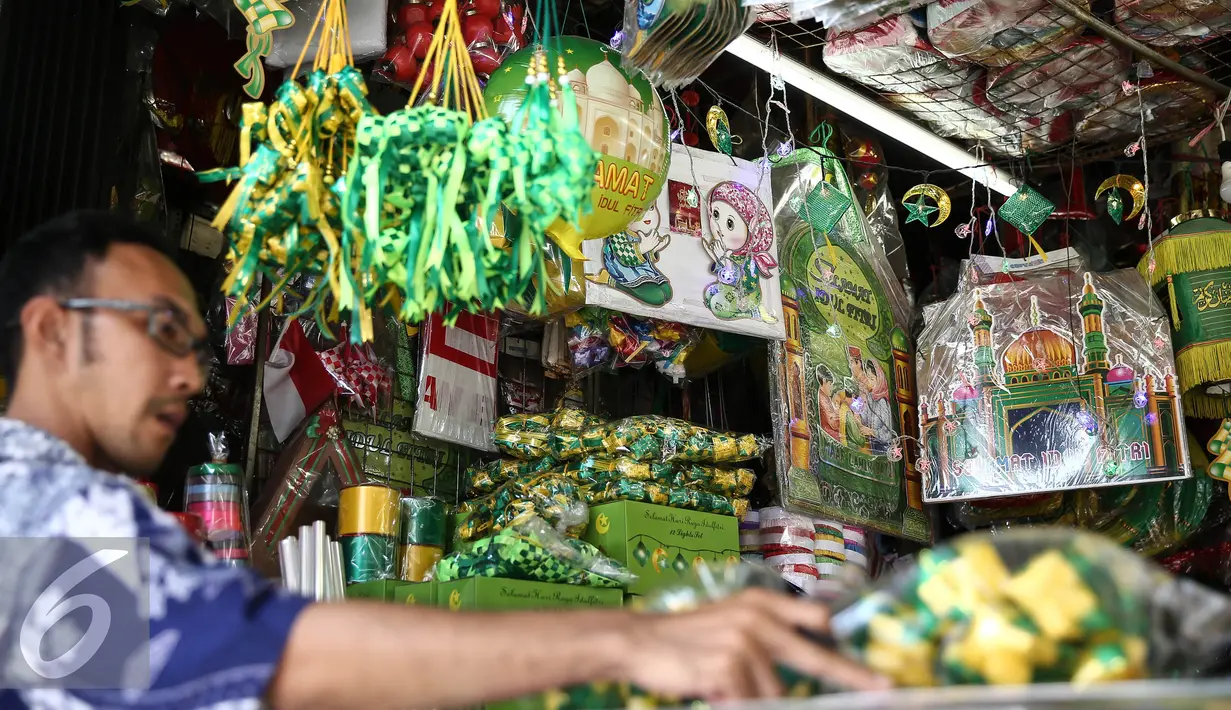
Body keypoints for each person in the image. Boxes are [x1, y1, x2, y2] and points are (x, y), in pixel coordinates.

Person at [0, 211, 886, 709]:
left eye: (195, 339)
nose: (191, 371)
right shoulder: (37, 503)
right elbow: (275, 656)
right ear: (49, 331)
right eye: (159, 329)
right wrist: (637, 638)